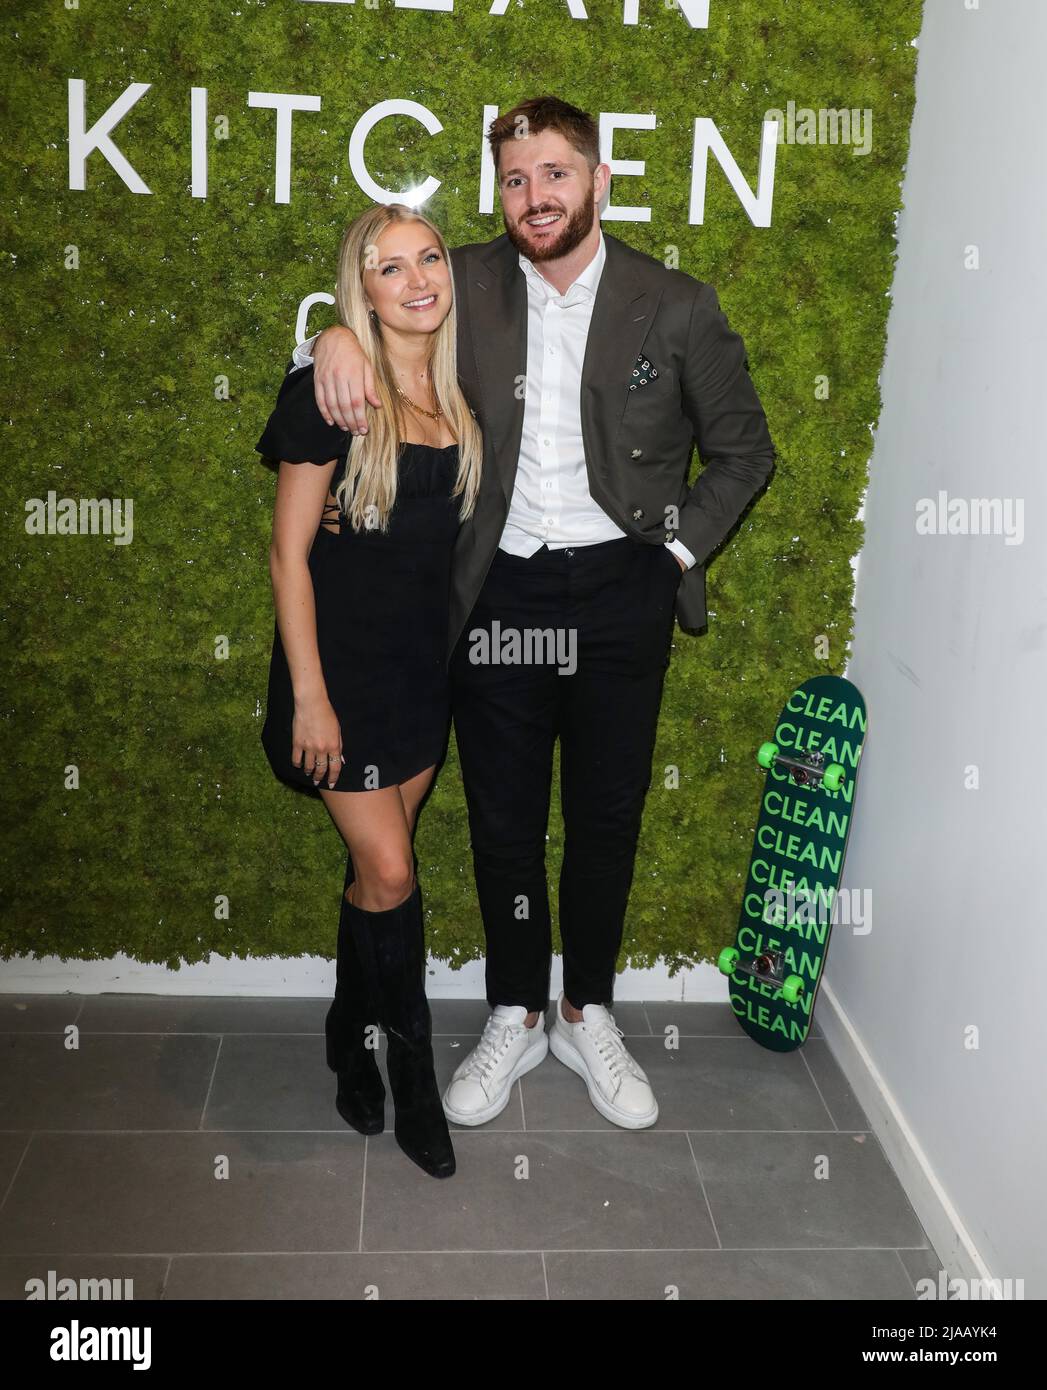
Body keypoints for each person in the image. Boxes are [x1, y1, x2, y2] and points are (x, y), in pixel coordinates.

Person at [292, 95, 777, 1134]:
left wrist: (675, 555)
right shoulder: (463, 282)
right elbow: (377, 295)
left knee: (606, 818)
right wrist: (330, 333)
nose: (535, 197)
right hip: (497, 592)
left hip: (621, 593)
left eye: (555, 174)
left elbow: (745, 450)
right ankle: (513, 1009)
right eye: (514, 179)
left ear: (598, 178)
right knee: (505, 825)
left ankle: (583, 1007)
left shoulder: (677, 304)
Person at [255, 202, 483, 1179]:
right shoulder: (334, 393)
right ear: (364, 288)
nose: (417, 278)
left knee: (372, 879)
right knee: (392, 874)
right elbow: (286, 555)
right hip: (336, 683)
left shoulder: (460, 398)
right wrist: (309, 695)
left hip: (420, 684)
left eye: (428, 257)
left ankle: (348, 1029)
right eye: (389, 268)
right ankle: (414, 1078)